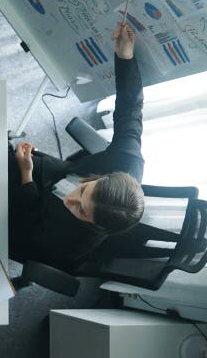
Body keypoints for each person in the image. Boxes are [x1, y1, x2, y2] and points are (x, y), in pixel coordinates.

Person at [9, 22, 145, 267]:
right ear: (105, 177)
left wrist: (26, 175)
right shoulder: (127, 161)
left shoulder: (77, 242)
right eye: (83, 191)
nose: (70, 199)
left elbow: (29, 229)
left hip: (24, 216)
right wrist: (124, 56)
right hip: (52, 177)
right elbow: (130, 110)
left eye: (81, 210)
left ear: (97, 227)